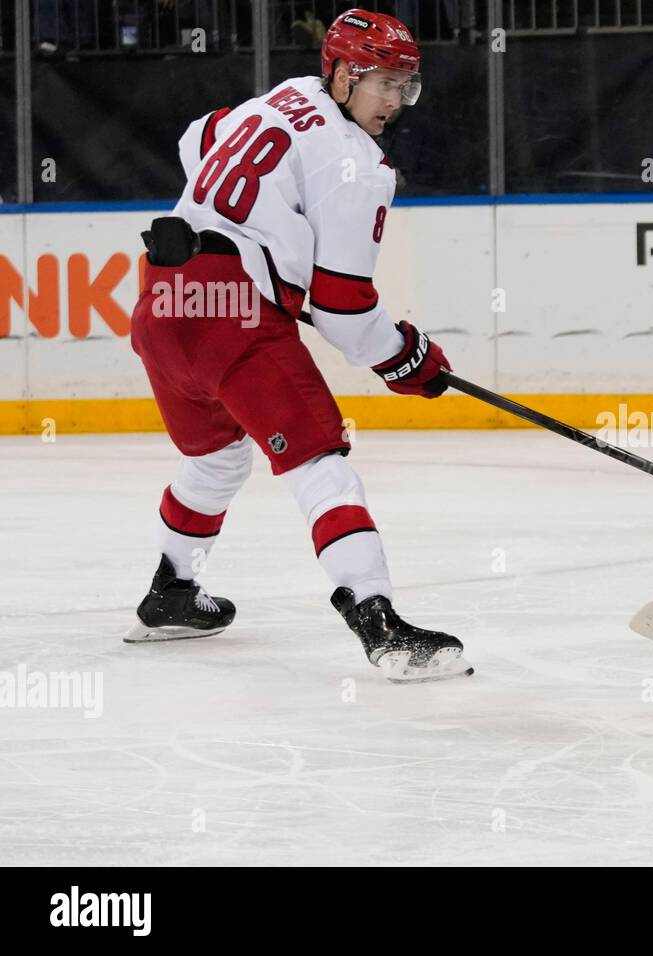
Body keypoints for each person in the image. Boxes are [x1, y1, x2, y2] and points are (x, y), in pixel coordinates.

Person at [125, 9, 472, 684]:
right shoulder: (359, 167)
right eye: (383, 84)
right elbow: (342, 310)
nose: (396, 102)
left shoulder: (282, 97)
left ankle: (170, 592)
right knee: (320, 461)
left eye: (407, 85)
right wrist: (409, 358)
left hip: (163, 302)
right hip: (235, 322)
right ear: (341, 75)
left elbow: (198, 137)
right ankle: (379, 622)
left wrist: (266, 233)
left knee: (217, 460)